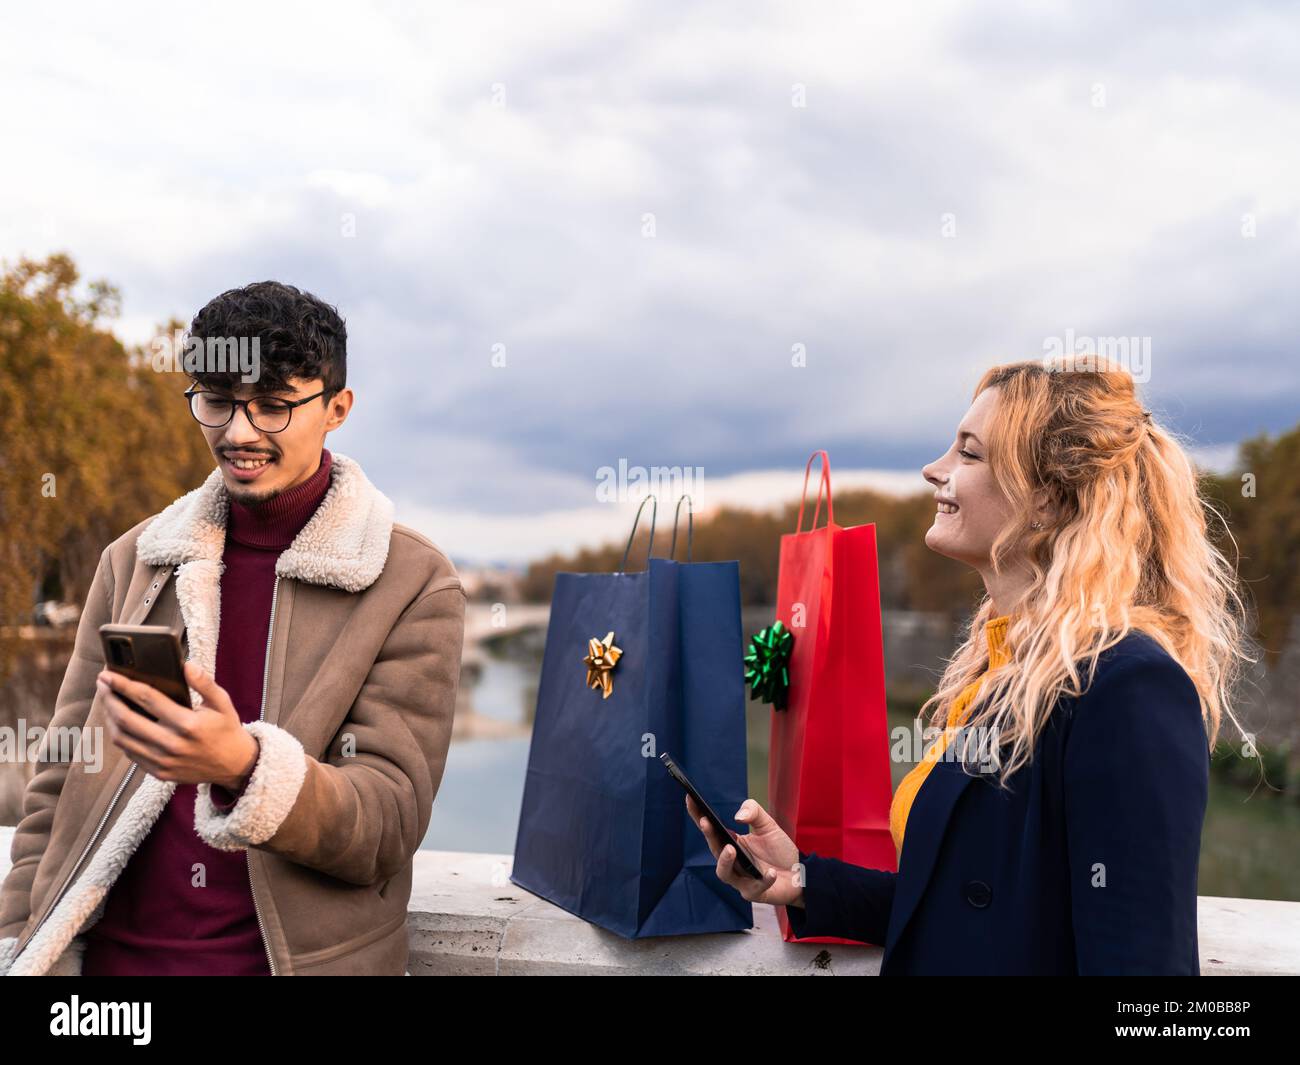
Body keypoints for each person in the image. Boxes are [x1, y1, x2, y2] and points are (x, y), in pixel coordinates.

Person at [690, 355, 1255, 975]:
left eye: (969, 453)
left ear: (1046, 498)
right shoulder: (1003, 668)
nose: (934, 471)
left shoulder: (1126, 685)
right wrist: (798, 877)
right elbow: (968, 913)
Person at [0, 281, 466, 975]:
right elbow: (60, 780)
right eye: (216, 401)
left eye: (274, 406)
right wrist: (20, 937)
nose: (238, 432)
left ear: (337, 408)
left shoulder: (413, 578)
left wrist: (244, 768)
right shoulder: (132, 559)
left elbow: (387, 822)